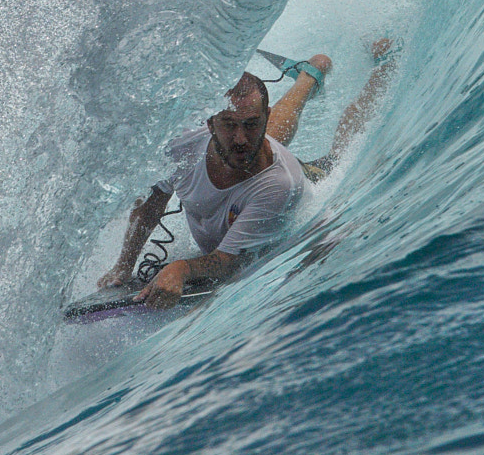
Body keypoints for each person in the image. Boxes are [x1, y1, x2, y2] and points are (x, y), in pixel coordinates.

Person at [97, 58, 331, 307]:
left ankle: (370, 66)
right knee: (265, 139)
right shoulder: (181, 147)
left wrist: (182, 269)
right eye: (229, 124)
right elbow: (150, 206)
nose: (240, 138)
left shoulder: (279, 185)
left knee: (298, 150)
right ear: (210, 123)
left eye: (252, 124)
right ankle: (309, 75)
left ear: (265, 116)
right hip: (261, 158)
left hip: (304, 179)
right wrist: (123, 266)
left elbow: (228, 261)